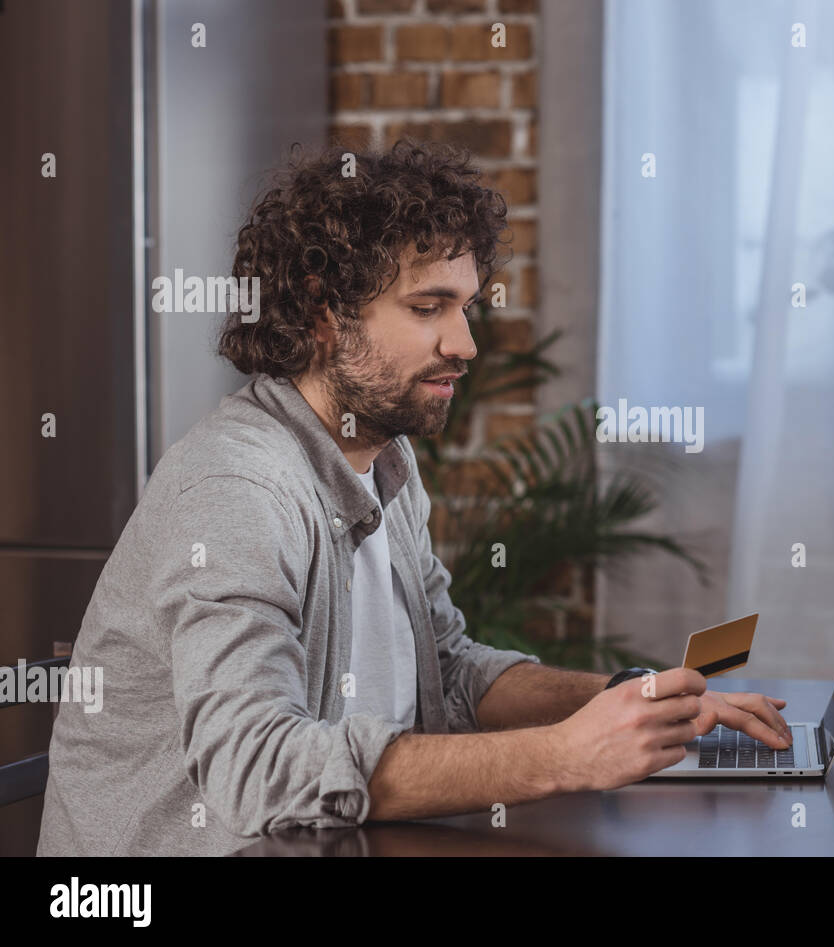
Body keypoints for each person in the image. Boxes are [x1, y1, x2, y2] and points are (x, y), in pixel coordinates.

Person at [38, 140, 790, 856]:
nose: (465, 343)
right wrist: (563, 756)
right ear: (324, 313)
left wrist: (635, 701)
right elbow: (256, 766)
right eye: (429, 308)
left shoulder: (386, 460)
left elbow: (450, 669)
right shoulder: (238, 487)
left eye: (465, 307)